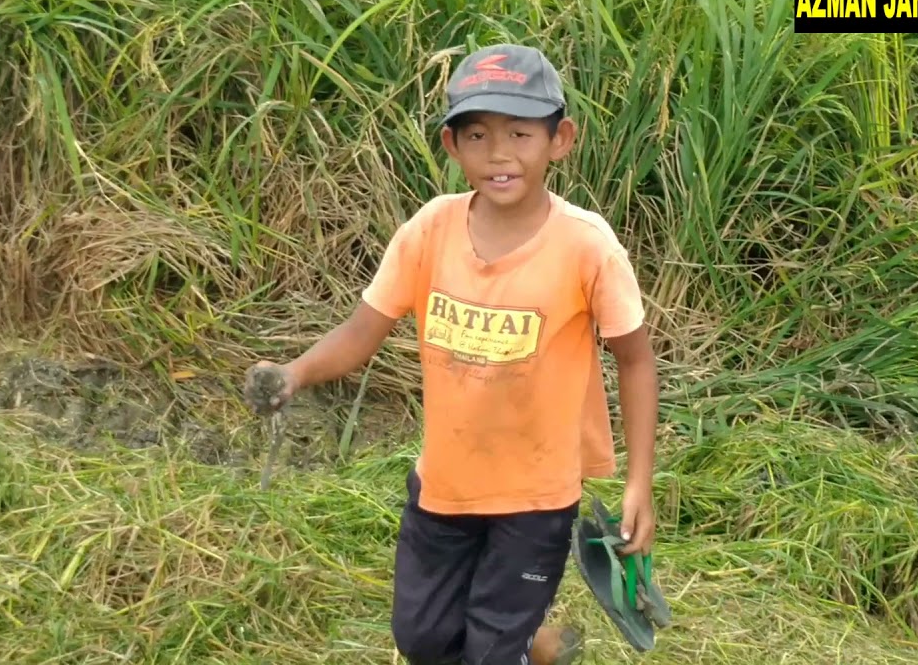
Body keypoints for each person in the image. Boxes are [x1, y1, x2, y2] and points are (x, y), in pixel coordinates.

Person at [244, 43, 659, 665]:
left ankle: (514, 645)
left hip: (538, 495)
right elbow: (362, 331)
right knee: (422, 639)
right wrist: (293, 373)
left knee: (489, 651)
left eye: (520, 133)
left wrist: (639, 482)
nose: (499, 153)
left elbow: (635, 359)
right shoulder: (429, 232)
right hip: (445, 484)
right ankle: (535, 644)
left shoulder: (585, 247)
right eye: (477, 135)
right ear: (452, 146)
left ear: (560, 140)